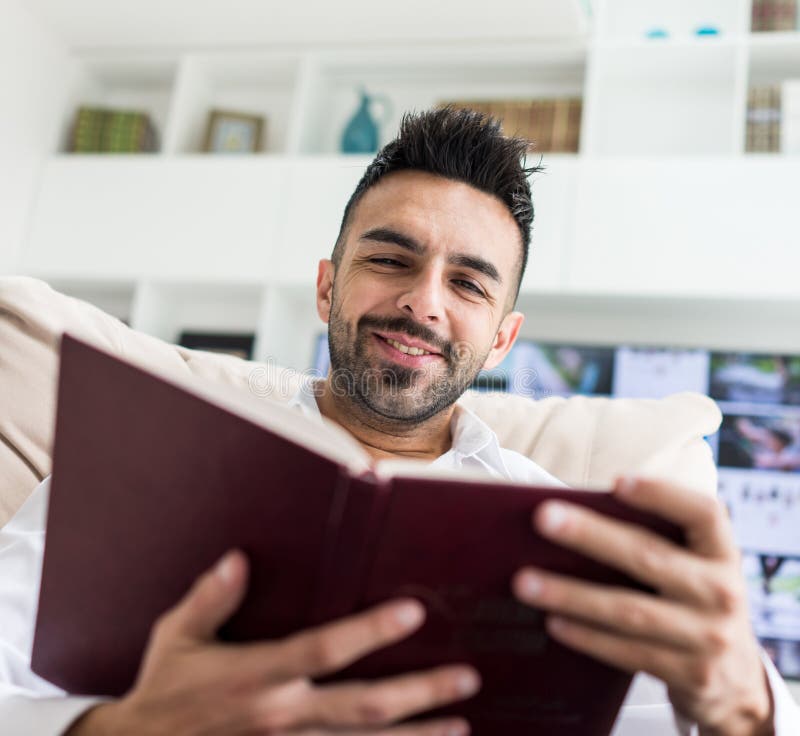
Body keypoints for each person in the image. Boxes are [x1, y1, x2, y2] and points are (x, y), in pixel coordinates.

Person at [1, 107, 798, 735]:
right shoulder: (149, 462)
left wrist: (752, 710)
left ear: (500, 340)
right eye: (389, 260)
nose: (423, 302)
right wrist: (118, 729)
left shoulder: (569, 532)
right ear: (326, 287)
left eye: (470, 285)